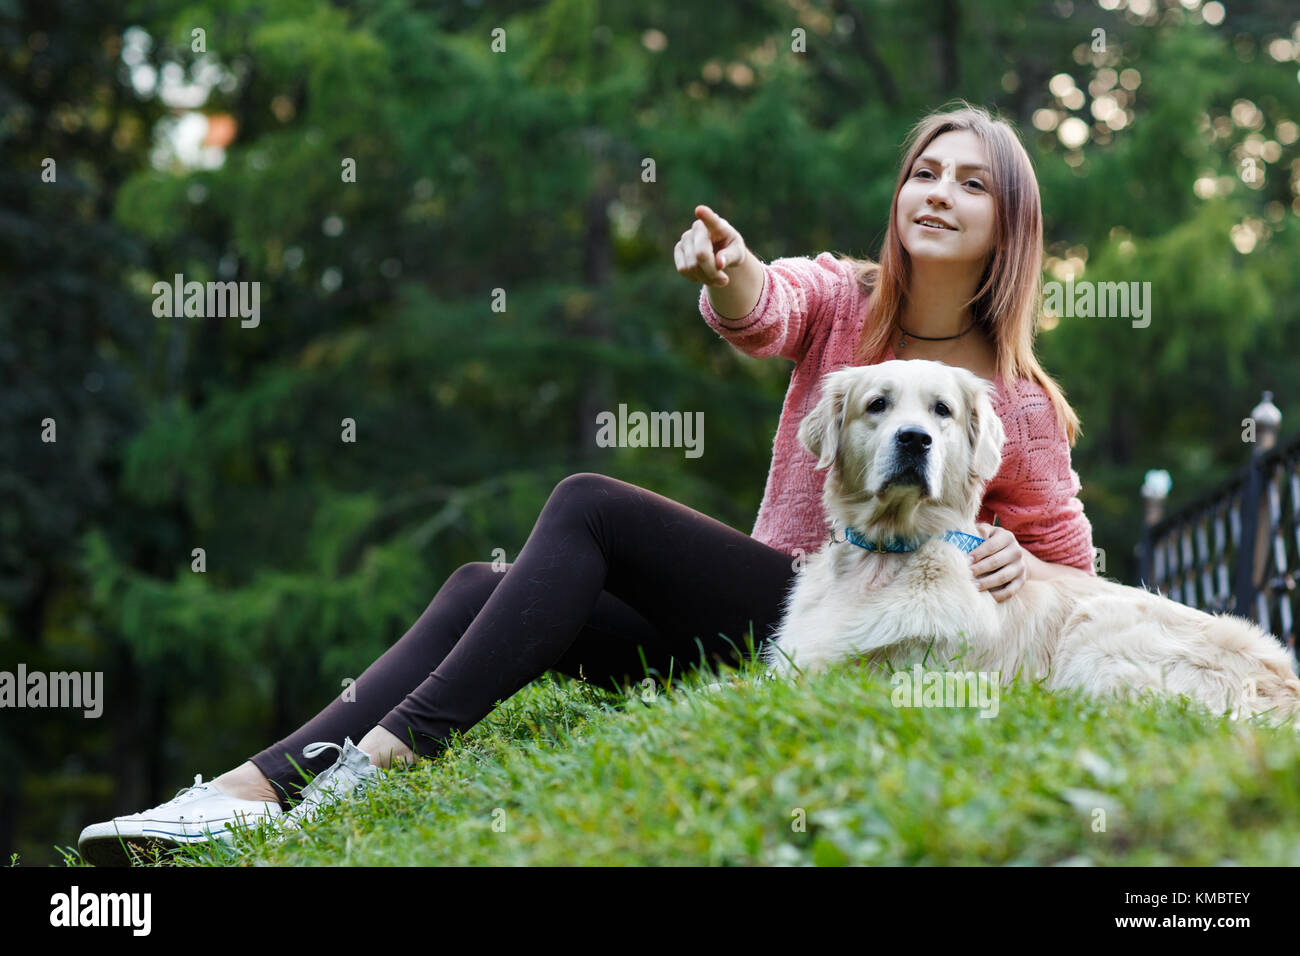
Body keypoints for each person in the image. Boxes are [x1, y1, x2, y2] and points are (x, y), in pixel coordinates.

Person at [77, 101, 1096, 866]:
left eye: (972, 182)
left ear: (1008, 227)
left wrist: (1003, 550)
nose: (939, 192)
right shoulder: (846, 302)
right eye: (926, 171)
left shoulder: (1016, 402)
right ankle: (249, 792)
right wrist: (727, 265)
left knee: (589, 502)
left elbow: (1071, 565)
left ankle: (384, 760)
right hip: (770, 606)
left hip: (842, 631)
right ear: (898, 195)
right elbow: (767, 309)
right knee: (485, 585)